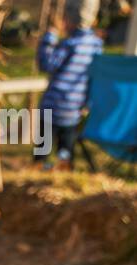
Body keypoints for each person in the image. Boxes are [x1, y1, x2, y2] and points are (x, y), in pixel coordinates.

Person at [36, 0, 104, 169]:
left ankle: (41, 166)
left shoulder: (69, 44)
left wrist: (48, 39)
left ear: (70, 20)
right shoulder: (96, 45)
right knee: (65, 148)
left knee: (43, 148)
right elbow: (93, 76)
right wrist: (87, 102)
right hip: (75, 108)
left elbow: (47, 64)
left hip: (53, 106)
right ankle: (63, 165)